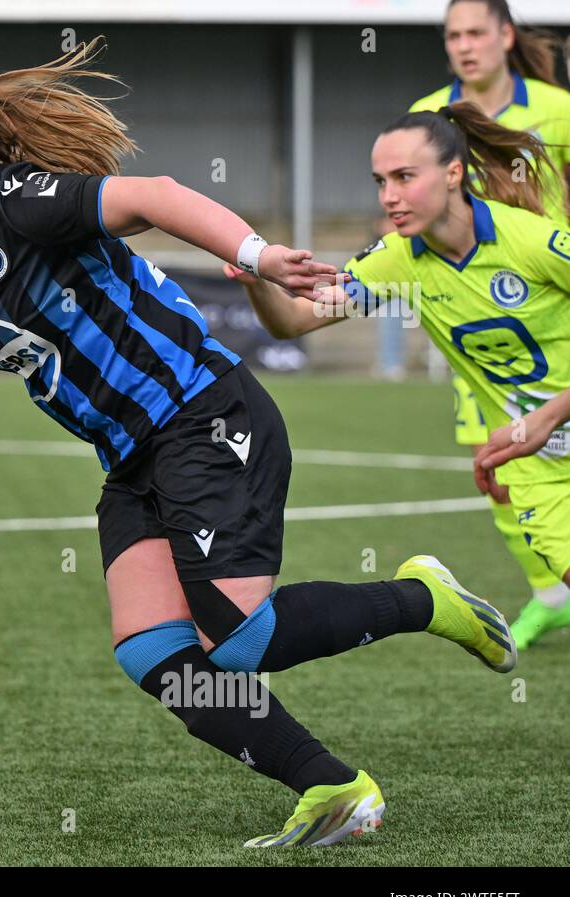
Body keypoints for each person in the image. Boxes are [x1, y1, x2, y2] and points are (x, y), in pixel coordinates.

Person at [0, 39, 514, 848]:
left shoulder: (21, 201)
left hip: (206, 414)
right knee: (155, 655)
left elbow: (157, 196)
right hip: (131, 461)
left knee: (241, 637)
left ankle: (425, 601)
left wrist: (259, 255)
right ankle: (333, 787)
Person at [227, 104, 570, 638]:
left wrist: (550, 413)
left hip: (537, 430)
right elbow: (292, 322)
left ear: (454, 174)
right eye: (380, 181)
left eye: (405, 177)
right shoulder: (396, 259)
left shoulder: (531, 241)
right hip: (537, 465)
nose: (388, 196)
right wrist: (256, 283)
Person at [407, 0, 570, 647]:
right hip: (474, 319)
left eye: (477, 32)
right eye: (453, 35)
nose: (465, 46)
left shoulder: (556, 110)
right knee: (495, 460)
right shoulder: (428, 115)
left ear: (506, 36)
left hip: (548, 303)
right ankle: (550, 594)